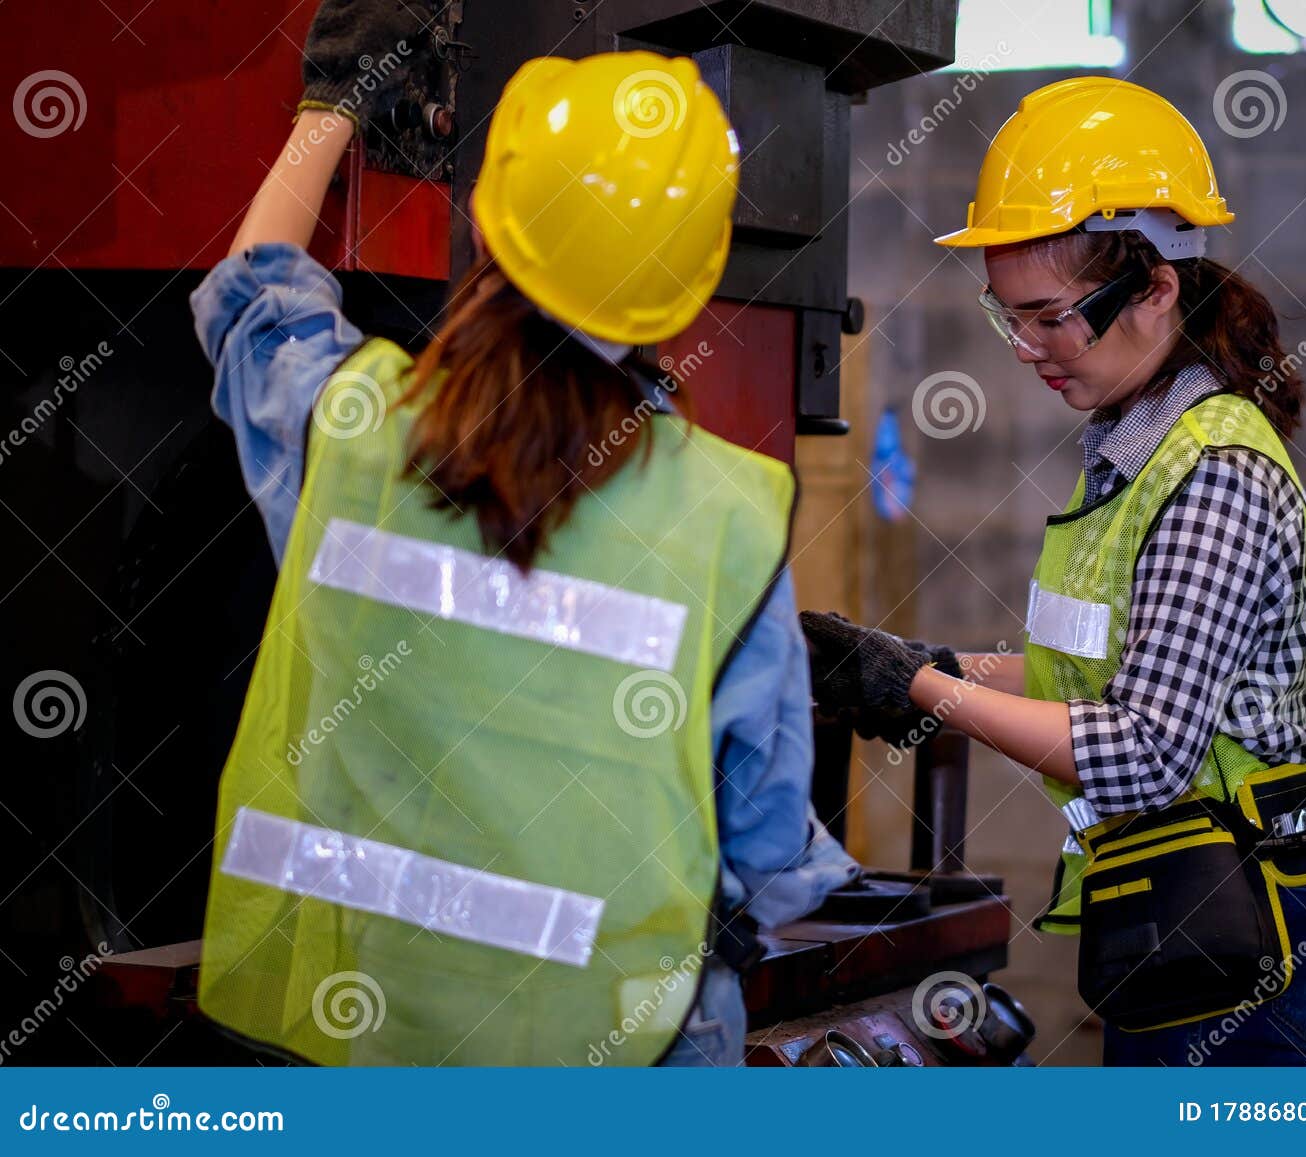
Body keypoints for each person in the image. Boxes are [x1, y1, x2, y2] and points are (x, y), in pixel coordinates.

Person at [191, 3, 855, 1067]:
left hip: (363, 1037)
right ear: (685, 304)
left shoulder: (351, 432)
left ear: (489, 227)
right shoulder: (732, 519)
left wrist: (330, 111)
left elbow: (252, 303)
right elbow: (768, 849)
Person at [801, 77, 1306, 1066]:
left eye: (1049, 316)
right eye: (1008, 318)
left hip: (1248, 925)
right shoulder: (1132, 446)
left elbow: (1142, 749)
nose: (1027, 349)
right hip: (1194, 906)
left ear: (1154, 287)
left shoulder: (1210, 474)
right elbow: (1105, 673)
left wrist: (920, 689)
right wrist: (929, 659)